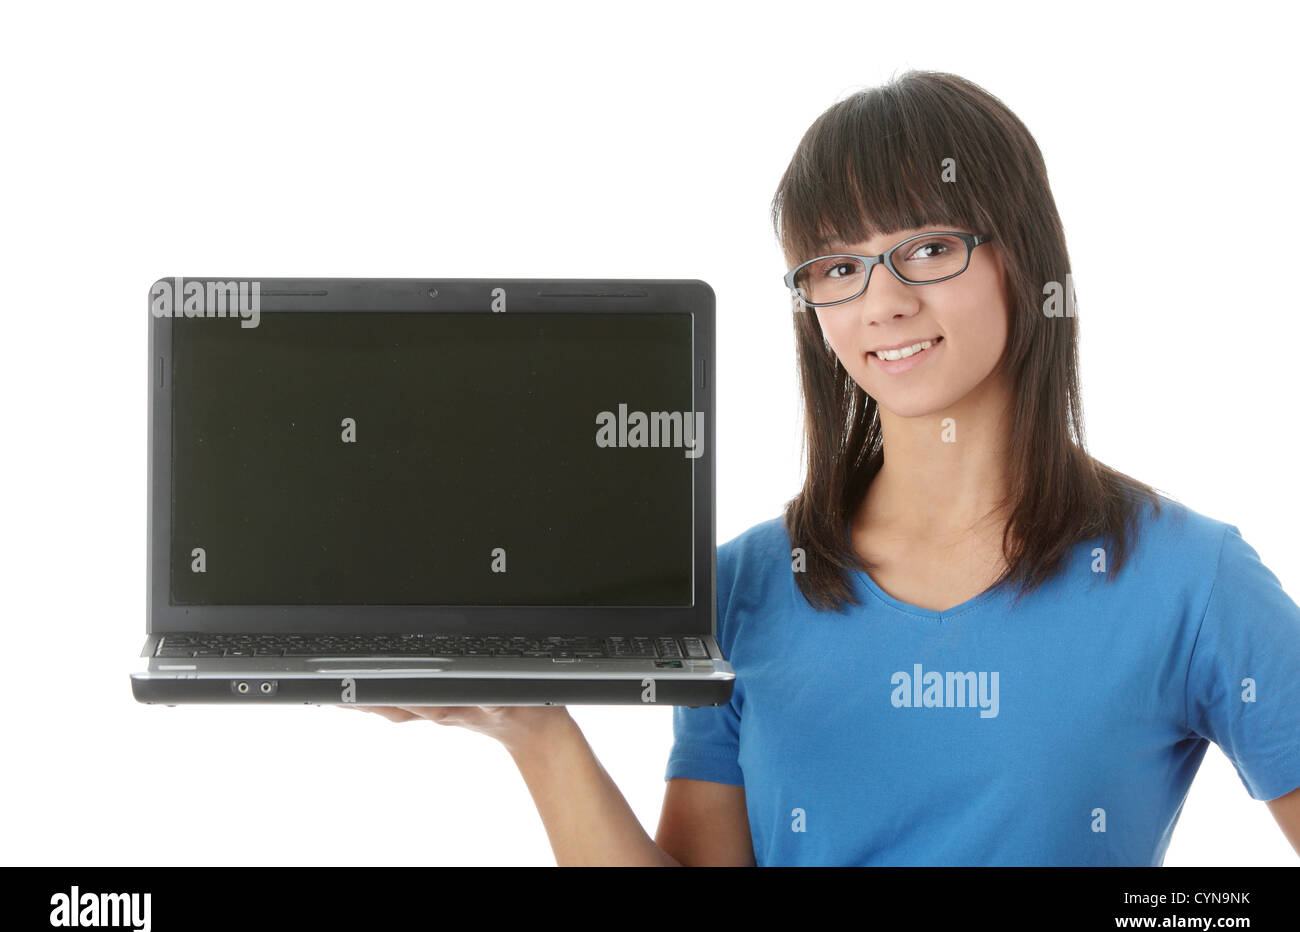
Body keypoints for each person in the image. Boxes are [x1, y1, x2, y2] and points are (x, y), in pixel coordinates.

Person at [347, 71, 1300, 865]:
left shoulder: (1191, 581)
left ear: (1027, 258)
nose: (880, 302)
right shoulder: (746, 587)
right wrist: (537, 730)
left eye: (928, 248)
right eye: (837, 268)